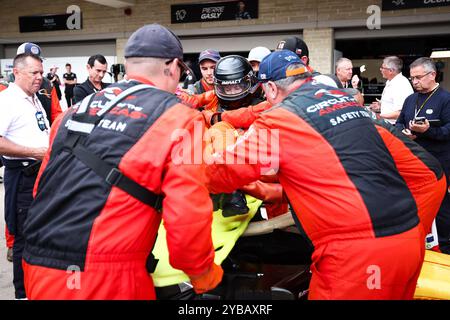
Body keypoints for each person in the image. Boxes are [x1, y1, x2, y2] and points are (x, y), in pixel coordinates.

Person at [205, 50, 447, 299]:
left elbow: (220, 173)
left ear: (271, 89)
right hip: (406, 249)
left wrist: (188, 165)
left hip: (355, 261)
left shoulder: (280, 120)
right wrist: (404, 232)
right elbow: (430, 175)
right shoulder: (354, 108)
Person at [22, 23, 223, 300]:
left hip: (37, 265)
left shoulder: (72, 113)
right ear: (173, 66)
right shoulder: (181, 120)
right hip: (103, 276)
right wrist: (204, 276)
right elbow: (186, 223)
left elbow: (42, 189)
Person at [0, 52, 49, 299]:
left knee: (39, 235)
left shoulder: (33, 98)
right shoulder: (7, 100)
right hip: (22, 176)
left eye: (41, 72)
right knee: (23, 239)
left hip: (39, 176)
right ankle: (22, 294)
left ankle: (36, 288)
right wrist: (34, 152)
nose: (40, 77)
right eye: (34, 73)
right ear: (17, 72)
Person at [396, 57, 450, 254]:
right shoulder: (410, 99)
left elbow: (448, 130)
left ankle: (444, 247)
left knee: (441, 207)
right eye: (412, 78)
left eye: (418, 77)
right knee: (417, 204)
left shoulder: (446, 99)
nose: (415, 82)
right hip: (413, 162)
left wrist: (428, 131)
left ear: (432, 75)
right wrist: (403, 131)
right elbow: (400, 122)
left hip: (439, 162)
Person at [15, 43, 63, 125]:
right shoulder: (5, 86)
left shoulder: (48, 84)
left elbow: (56, 114)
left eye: (38, 60)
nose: (39, 77)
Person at [370, 56, 413, 124]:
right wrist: (381, 105)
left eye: (383, 68)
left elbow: (400, 113)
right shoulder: (391, 82)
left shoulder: (400, 84)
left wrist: (376, 116)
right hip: (388, 124)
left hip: (395, 126)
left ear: (391, 71)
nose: (380, 69)